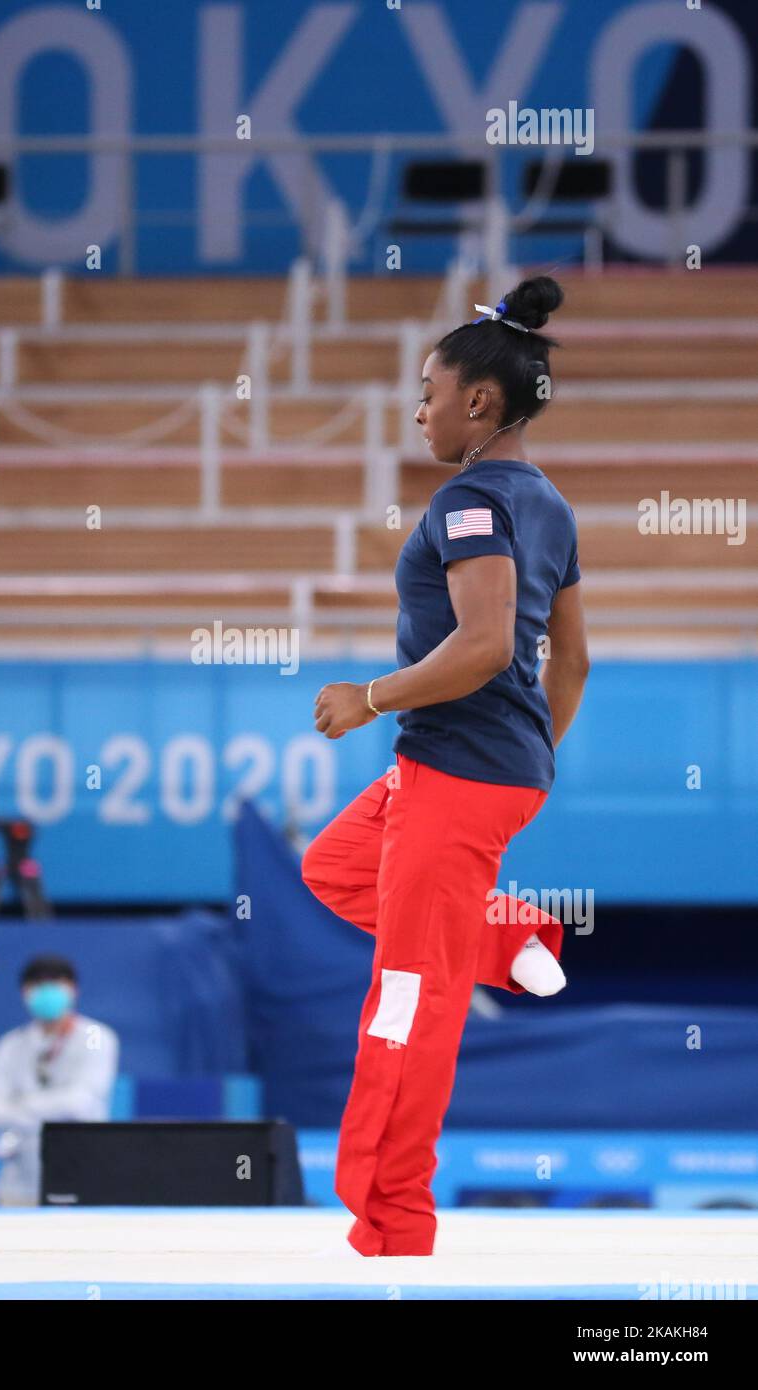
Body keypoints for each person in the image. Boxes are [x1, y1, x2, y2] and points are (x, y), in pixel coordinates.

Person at [301, 276, 590, 1257]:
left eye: (427, 391)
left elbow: (481, 644)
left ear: (479, 404)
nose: (416, 409)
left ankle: (395, 1222)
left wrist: (367, 698)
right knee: (332, 868)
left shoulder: (472, 501)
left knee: (408, 997)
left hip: (458, 773)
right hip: (476, 769)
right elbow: (575, 658)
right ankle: (506, 938)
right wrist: (529, 762)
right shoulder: (548, 503)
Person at [0, 954, 119, 1205]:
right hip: (18, 1181)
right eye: (37, 985)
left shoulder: (96, 1037)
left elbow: (81, 1103)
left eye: (55, 983)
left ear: (73, 989)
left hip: (82, 1174)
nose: (46, 991)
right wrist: (50, 1108)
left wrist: (18, 1107)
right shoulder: (10, 1044)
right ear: (24, 992)